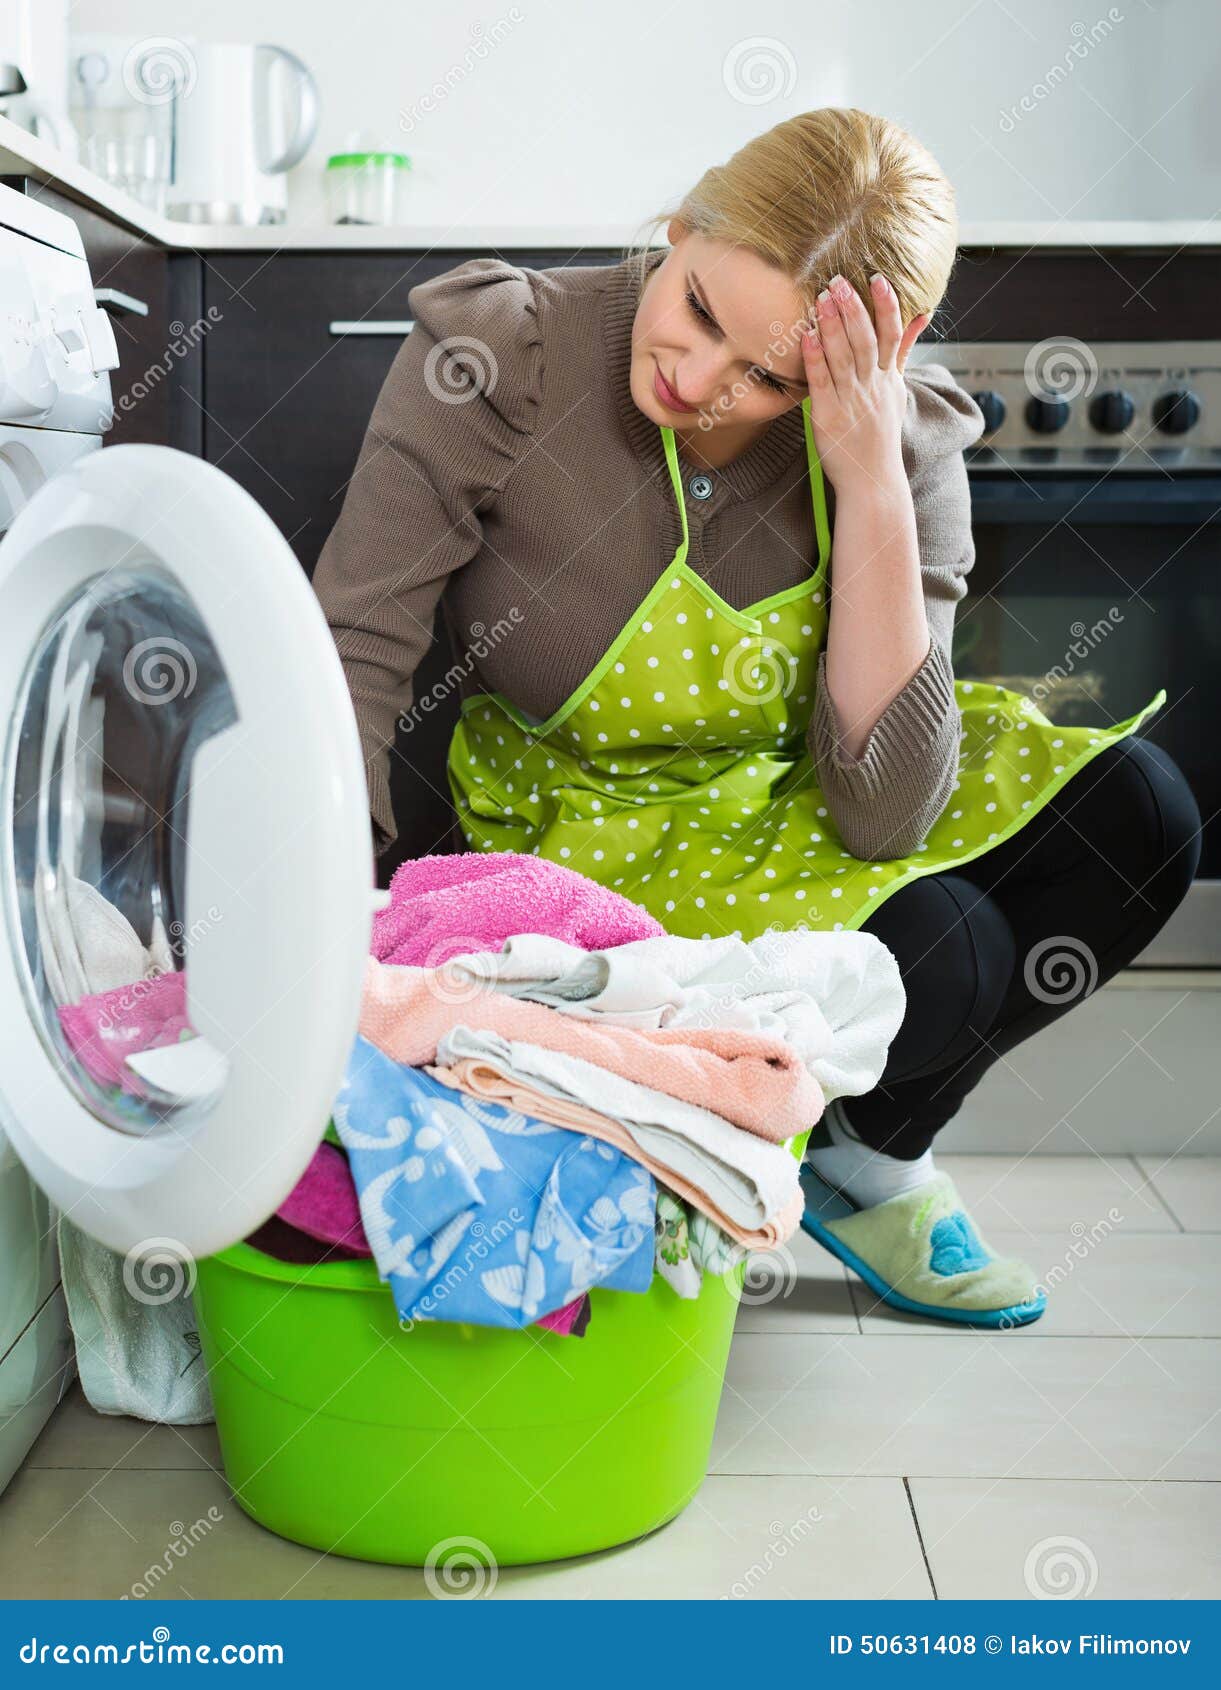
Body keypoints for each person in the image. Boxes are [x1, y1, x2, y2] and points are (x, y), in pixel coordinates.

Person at [313, 108, 1199, 1327]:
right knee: (950, 951)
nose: (699, 381)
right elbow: (355, 644)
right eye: (699, 309)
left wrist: (871, 480)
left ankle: (865, 1161)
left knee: (1141, 811)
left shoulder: (905, 436)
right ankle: (771, 1135)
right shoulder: (505, 355)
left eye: (770, 375)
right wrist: (319, 925)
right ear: (680, 230)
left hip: (795, 807)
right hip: (586, 836)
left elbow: (885, 812)